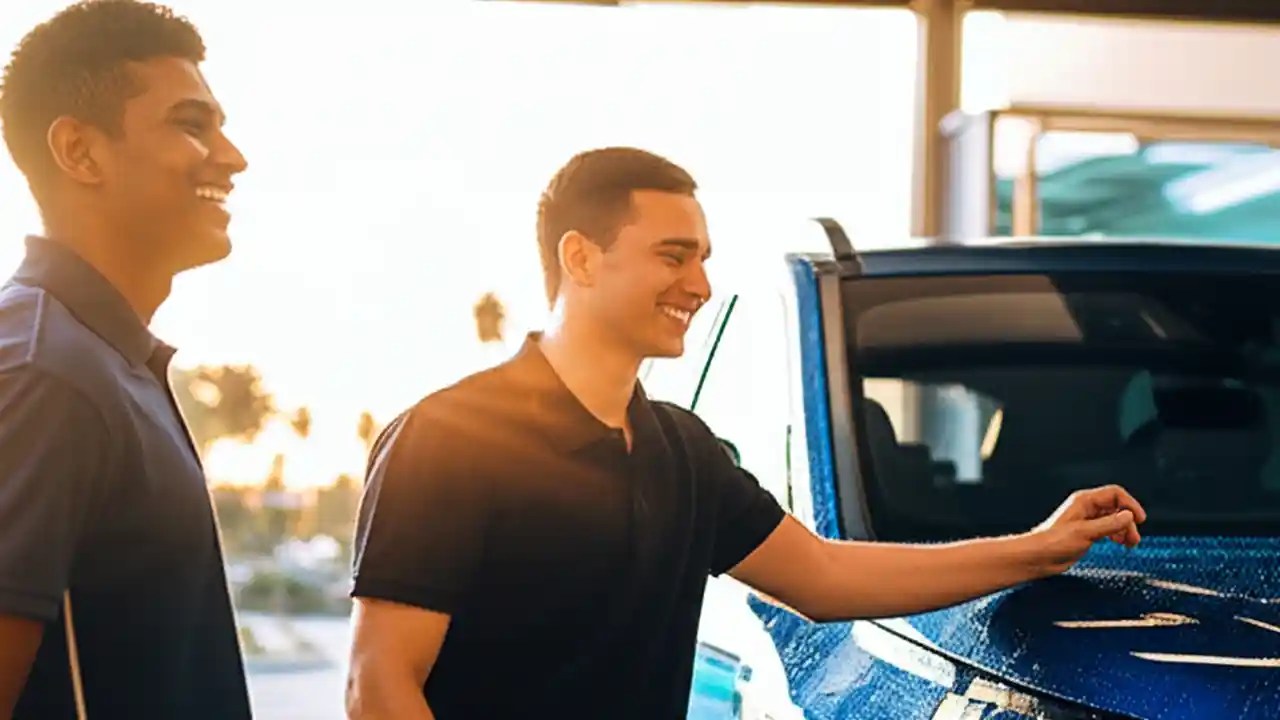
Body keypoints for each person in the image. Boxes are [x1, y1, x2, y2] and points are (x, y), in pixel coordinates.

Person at [345, 147, 1146, 719]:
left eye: (702, 258)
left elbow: (825, 577)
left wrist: (1037, 548)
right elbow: (378, 686)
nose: (699, 285)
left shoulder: (681, 451)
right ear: (581, 259)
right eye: (673, 257)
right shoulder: (448, 439)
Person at [0, 1, 251, 717]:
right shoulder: (42, 374)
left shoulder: (103, 363)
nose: (233, 157)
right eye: (192, 125)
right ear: (79, 151)